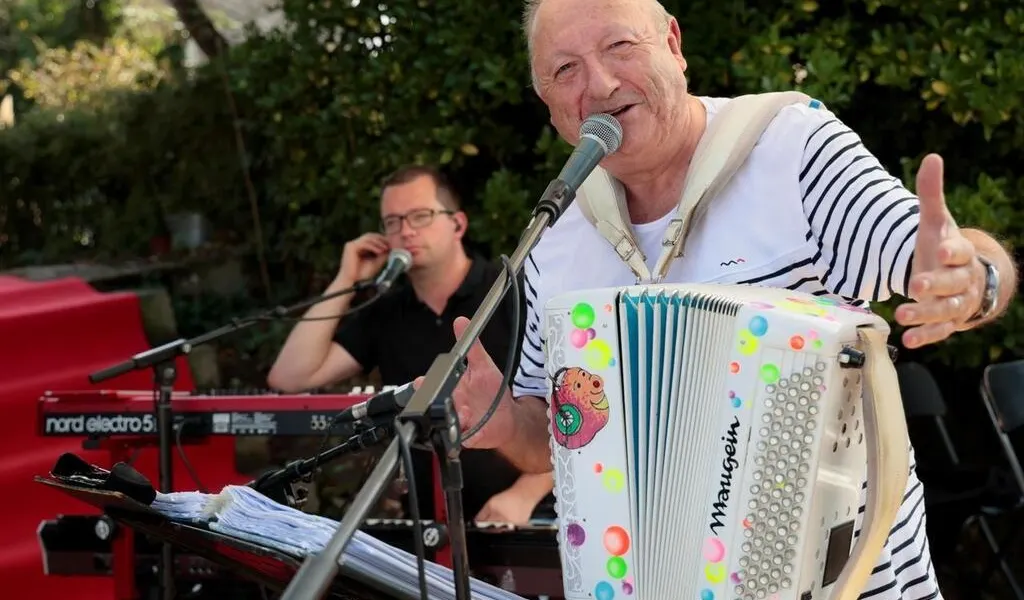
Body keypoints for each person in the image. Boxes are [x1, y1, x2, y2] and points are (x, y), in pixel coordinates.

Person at [430, 0, 1019, 599]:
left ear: (674, 46)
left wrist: (974, 276)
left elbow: (923, 250)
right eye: (566, 70)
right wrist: (505, 424)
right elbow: (556, 437)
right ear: (548, 102)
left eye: (620, 47)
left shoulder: (791, 150)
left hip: (850, 583)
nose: (600, 84)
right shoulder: (557, 234)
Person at [267, 164, 554, 525]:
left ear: (458, 224)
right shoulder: (387, 311)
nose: (406, 231)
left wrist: (522, 496)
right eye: (392, 222)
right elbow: (290, 376)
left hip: (527, 519)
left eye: (420, 216)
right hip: (426, 530)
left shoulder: (511, 289)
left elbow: (579, 412)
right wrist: (347, 278)